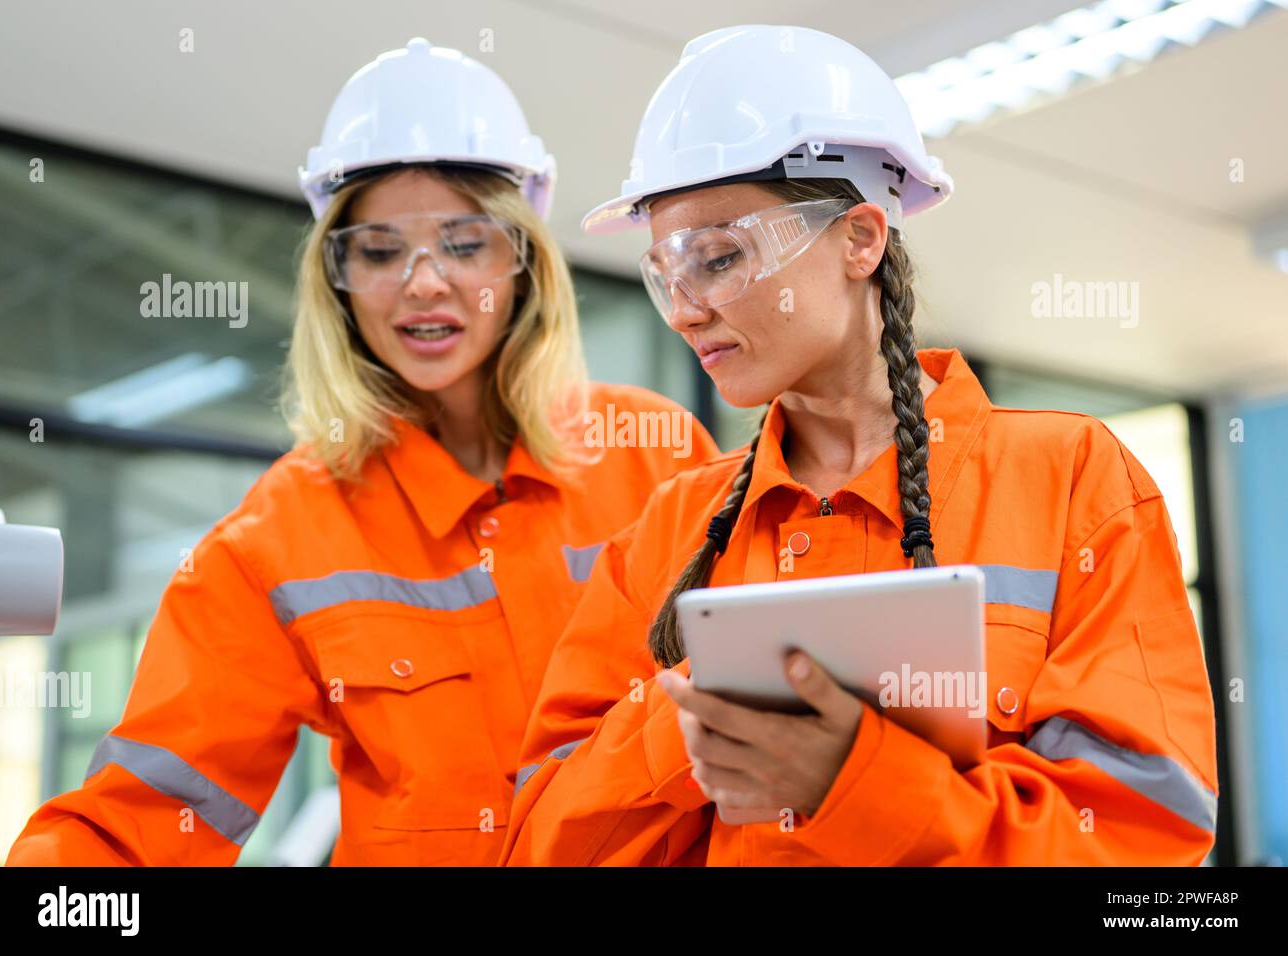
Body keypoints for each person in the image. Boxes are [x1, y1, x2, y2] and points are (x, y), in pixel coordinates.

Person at [499, 25, 1218, 866]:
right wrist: (696, 711)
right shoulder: (669, 531)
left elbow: (1140, 838)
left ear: (860, 240)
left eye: (721, 258)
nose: (687, 309)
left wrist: (860, 782)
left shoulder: (1070, 480)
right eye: (668, 273)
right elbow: (542, 845)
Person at [7, 38, 717, 866]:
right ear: (335, 277)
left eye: (463, 243)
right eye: (380, 250)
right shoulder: (279, 536)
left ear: (522, 261)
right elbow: (147, 814)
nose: (423, 283)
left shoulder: (658, 457)